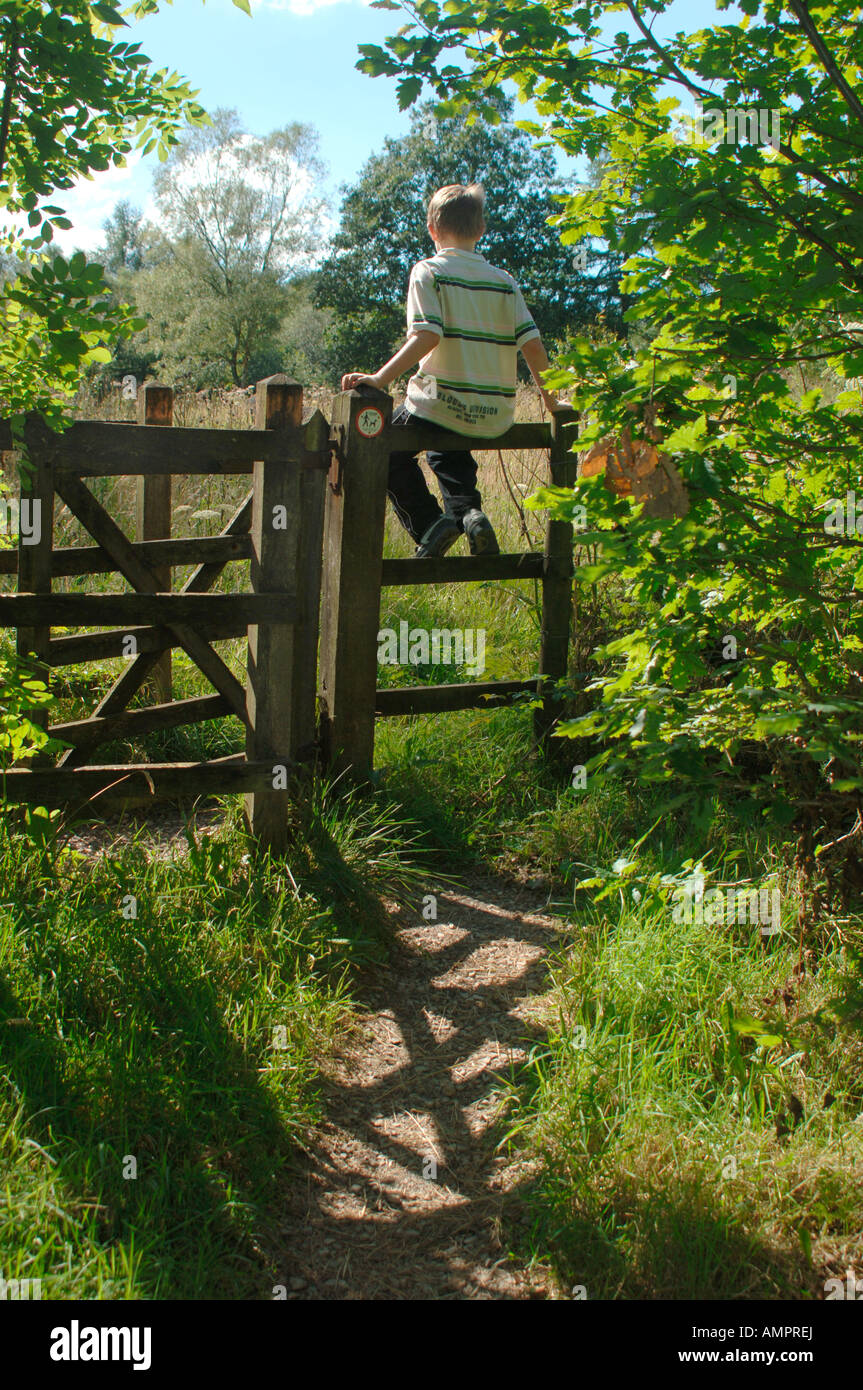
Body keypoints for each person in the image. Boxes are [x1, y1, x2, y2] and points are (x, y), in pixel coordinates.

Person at [341, 182, 559, 557]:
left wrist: (379, 379)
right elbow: (534, 346)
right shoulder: (505, 282)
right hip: (492, 415)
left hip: (439, 404)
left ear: (432, 230)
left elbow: (427, 335)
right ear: (480, 231)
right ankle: (469, 514)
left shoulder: (428, 272)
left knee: (382, 449)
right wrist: (553, 403)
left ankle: (430, 525)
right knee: (446, 447)